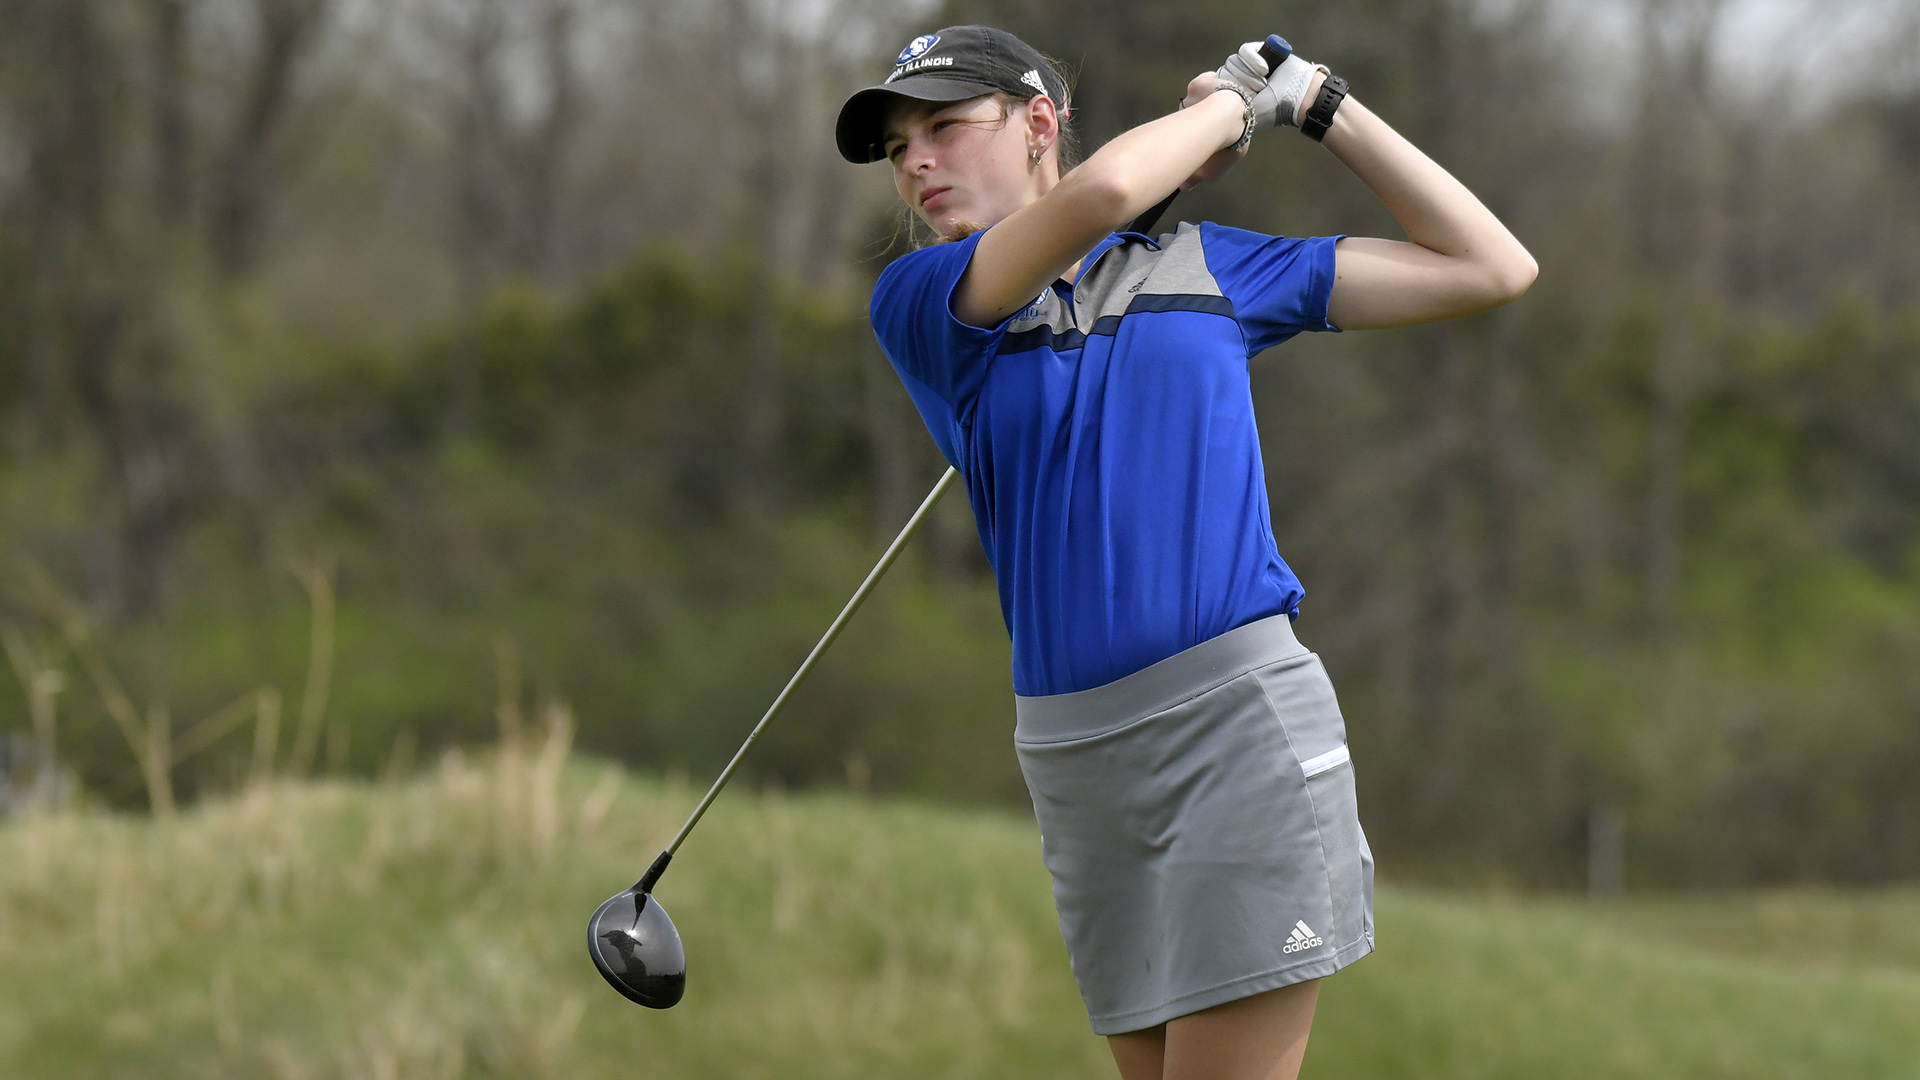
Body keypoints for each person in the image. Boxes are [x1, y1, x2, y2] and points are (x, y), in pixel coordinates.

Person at [836, 24, 1535, 1080]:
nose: (916, 163)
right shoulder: (922, 303)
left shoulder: (1211, 267)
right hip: (1077, 765)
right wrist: (1226, 112)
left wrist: (1316, 104)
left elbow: (1493, 265)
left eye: (942, 127)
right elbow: (1106, 194)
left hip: (1234, 731)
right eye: (898, 149)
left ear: (1038, 124)